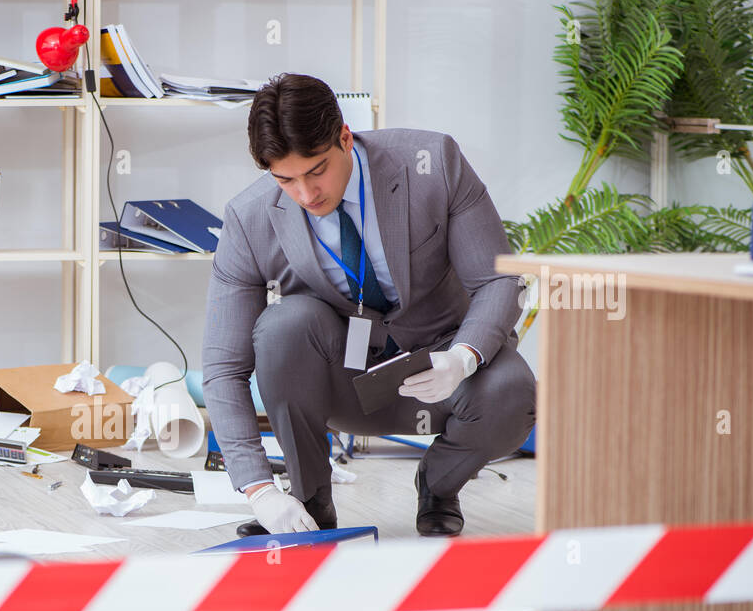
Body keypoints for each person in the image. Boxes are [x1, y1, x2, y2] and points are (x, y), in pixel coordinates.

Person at [202, 73, 536, 537]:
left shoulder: (433, 163)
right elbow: (223, 366)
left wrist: (462, 358)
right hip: (343, 379)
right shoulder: (249, 217)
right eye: (285, 180)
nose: (306, 194)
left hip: (442, 368)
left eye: (317, 170)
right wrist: (258, 489)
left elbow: (498, 279)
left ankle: (438, 485)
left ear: (344, 136)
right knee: (284, 325)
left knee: (514, 390)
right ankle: (309, 499)